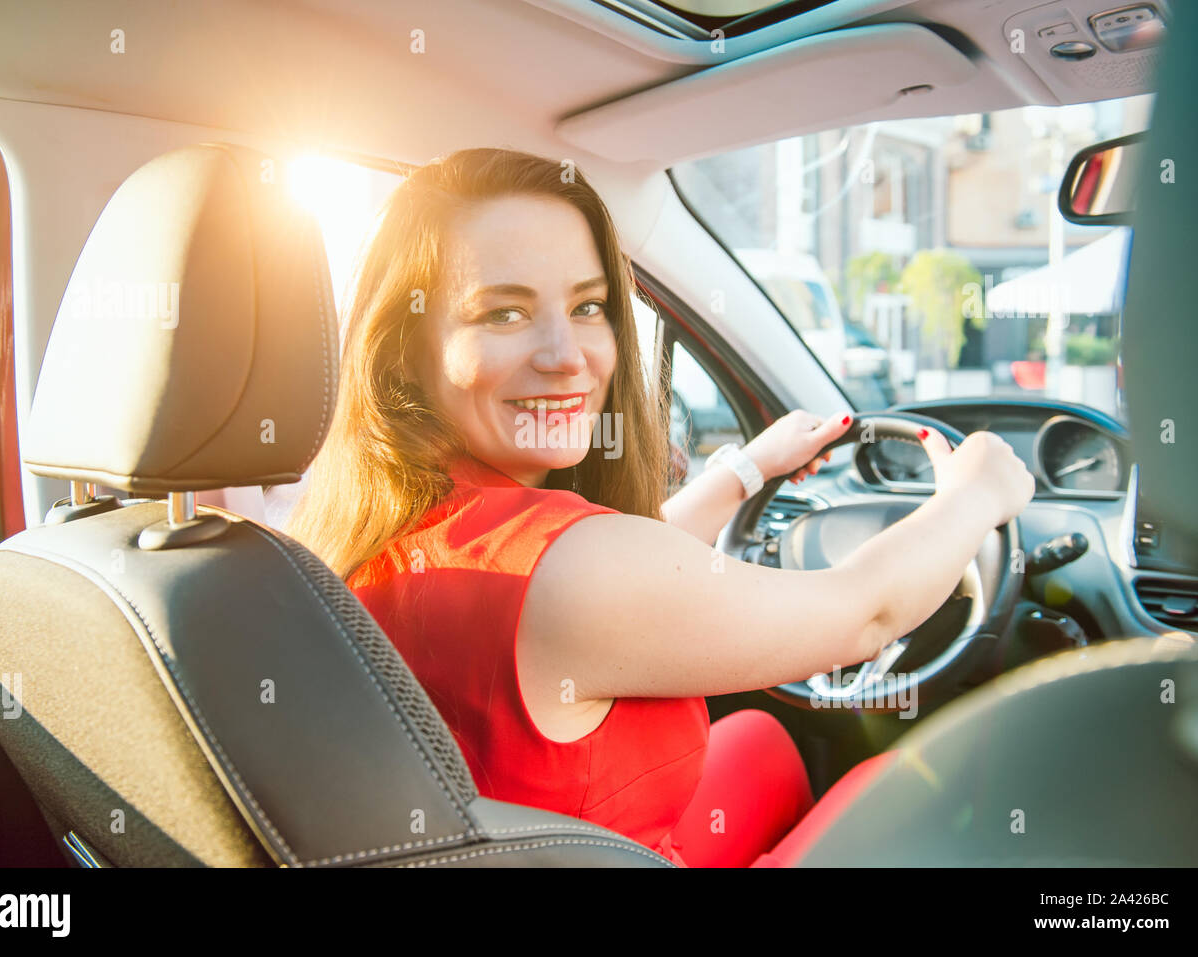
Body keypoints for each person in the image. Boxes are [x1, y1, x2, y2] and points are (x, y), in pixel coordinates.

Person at [285, 148, 1034, 867]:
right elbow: (865, 614)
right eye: (503, 314)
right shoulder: (578, 574)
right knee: (895, 782)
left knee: (761, 741)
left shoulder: (366, 528)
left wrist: (746, 469)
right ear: (406, 349)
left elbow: (606, 573)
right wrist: (977, 493)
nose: (566, 354)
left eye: (588, 306)